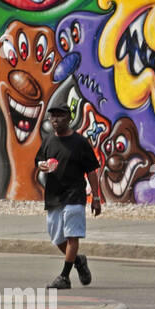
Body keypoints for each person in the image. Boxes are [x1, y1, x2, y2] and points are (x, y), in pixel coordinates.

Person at [37, 104, 102, 290]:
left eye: (60, 116)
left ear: (69, 118)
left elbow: (91, 171)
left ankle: (64, 277)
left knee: (72, 235)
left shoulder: (80, 143)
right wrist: (42, 165)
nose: (56, 119)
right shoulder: (49, 141)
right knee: (57, 238)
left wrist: (96, 198)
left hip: (75, 195)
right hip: (54, 196)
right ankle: (78, 261)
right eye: (53, 116)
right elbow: (39, 160)